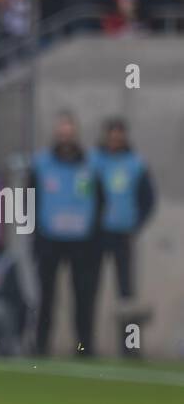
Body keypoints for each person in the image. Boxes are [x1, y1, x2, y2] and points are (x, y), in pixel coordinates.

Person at [30, 112, 103, 358]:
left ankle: (84, 347)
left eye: (69, 134)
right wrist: (35, 238)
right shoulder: (41, 164)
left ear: (76, 135)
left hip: (83, 241)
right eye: (61, 134)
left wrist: (95, 234)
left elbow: (102, 201)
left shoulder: (92, 164)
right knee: (47, 296)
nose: (65, 139)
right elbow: (30, 201)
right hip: (50, 240)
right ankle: (41, 346)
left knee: (83, 297)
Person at [90, 117, 155, 354]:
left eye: (119, 135)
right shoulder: (93, 161)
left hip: (123, 235)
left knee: (127, 294)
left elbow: (148, 199)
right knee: (90, 289)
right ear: (106, 136)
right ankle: (86, 344)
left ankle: (130, 346)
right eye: (112, 135)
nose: (115, 139)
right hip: (97, 235)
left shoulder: (135, 163)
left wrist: (135, 225)